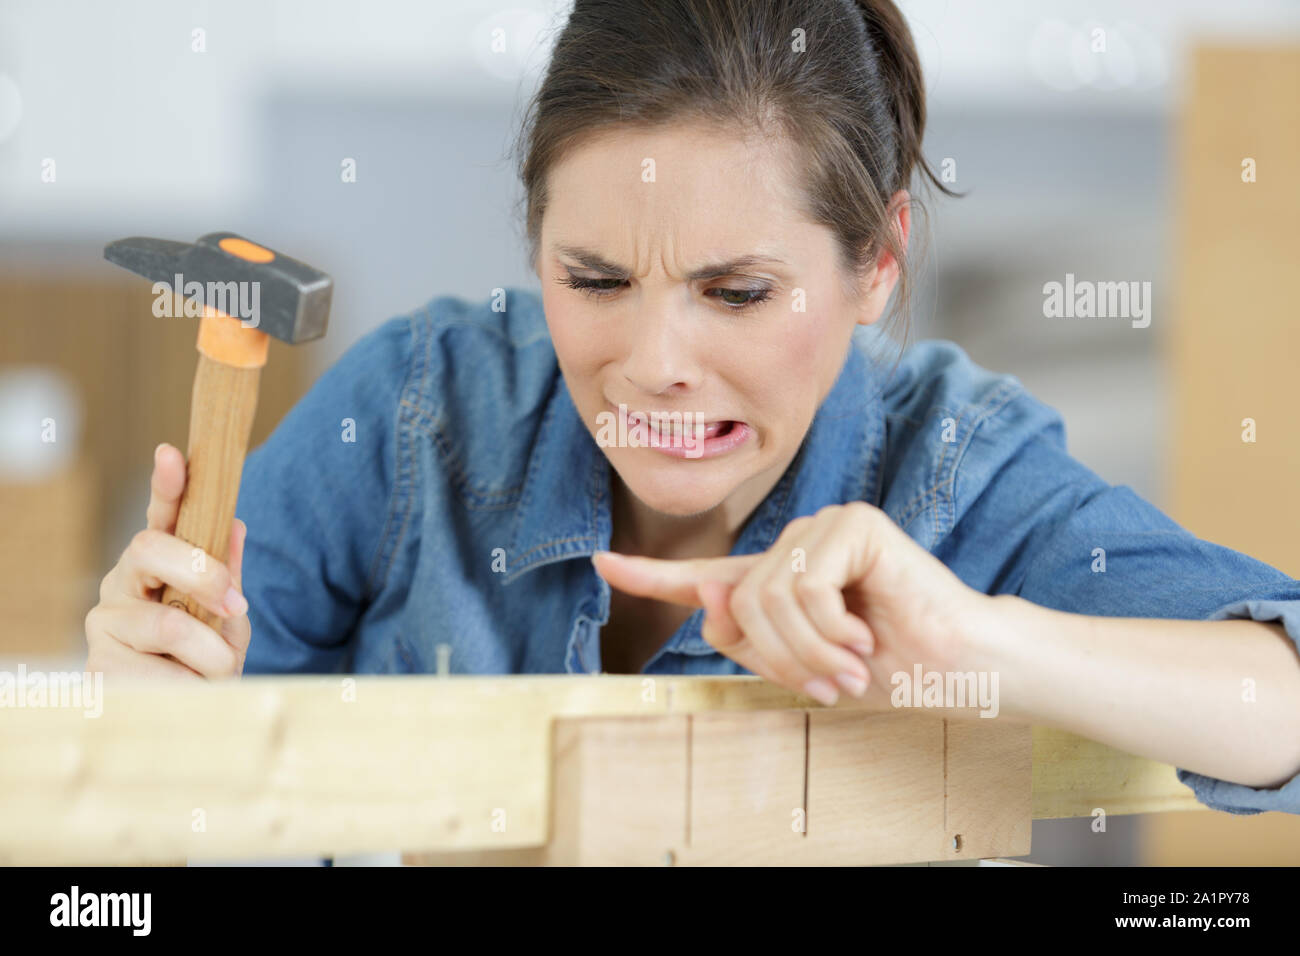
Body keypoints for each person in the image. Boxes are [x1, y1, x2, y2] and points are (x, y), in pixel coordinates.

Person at [85, 0, 1300, 816]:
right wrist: (145, 722)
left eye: (737, 291)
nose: (654, 362)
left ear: (876, 261)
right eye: (595, 278)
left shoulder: (952, 466)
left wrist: (973, 639)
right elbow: (186, 807)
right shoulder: (420, 407)